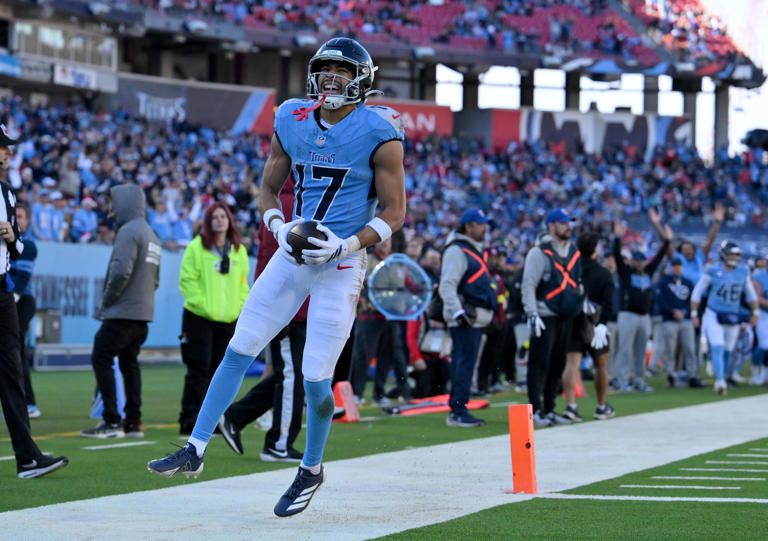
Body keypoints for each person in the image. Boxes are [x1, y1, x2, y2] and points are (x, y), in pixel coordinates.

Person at [148, 38, 406, 518]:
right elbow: (268, 188)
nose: (332, 78)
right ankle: (196, 447)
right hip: (293, 253)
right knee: (239, 347)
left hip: (341, 263)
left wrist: (346, 245)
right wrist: (278, 226)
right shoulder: (292, 117)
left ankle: (311, 469)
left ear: (362, 81)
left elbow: (395, 213)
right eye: (326, 68)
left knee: (314, 376)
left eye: (343, 71)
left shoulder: (380, 129)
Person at [217, 177, 310, 462]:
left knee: (289, 374)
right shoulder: (294, 203)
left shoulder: (281, 201)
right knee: (291, 374)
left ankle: (235, 417)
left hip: (287, 302)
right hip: (290, 305)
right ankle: (278, 444)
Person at [0, 124, 68, 478]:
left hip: (2, 290)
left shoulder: (7, 193)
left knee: (12, 370)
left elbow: (20, 247)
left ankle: (27, 457)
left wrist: (13, 238)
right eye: (3, 146)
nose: (8, 152)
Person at [80, 184, 161, 438]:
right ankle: (133, 423)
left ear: (125, 203)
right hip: (142, 314)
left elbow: (120, 273)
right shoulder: (151, 234)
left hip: (123, 312)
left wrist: (106, 302)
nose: (110, 210)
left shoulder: (128, 232)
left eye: (113, 204)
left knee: (101, 356)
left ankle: (111, 422)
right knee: (129, 364)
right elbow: (156, 280)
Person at [177, 202, 250, 434]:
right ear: (208, 222)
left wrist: (237, 308)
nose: (219, 220)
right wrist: (203, 305)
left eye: (223, 216)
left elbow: (243, 285)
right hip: (199, 317)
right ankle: (189, 418)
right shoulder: (196, 247)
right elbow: (187, 280)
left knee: (220, 374)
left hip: (228, 320)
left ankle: (214, 421)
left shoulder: (238, 250)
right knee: (198, 370)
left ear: (229, 221)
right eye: (215, 217)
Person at [522, 208, 583, 428]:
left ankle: (549, 408)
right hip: (545, 315)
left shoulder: (573, 251)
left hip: (565, 315)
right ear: (551, 226)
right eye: (563, 223)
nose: (568, 226)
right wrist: (532, 313)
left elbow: (578, 282)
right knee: (539, 364)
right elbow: (529, 284)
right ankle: (535, 410)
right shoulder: (538, 252)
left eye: (569, 223)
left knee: (558, 365)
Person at [439, 208, 497, 427]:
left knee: (465, 364)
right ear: (468, 226)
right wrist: (458, 313)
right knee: (464, 364)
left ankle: (458, 408)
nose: (485, 228)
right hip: (465, 318)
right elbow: (447, 284)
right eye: (480, 224)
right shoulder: (457, 250)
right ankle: (458, 410)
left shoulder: (471, 249)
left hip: (472, 318)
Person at [613, 212, 671, 392]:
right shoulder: (625, 272)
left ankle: (639, 380)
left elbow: (660, 256)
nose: (639, 263)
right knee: (625, 349)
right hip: (627, 314)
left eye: (641, 260)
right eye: (636, 260)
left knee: (640, 350)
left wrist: (667, 241)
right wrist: (617, 238)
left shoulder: (648, 272)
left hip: (644, 316)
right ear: (631, 261)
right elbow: (617, 256)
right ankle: (622, 380)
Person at [691, 241, 759, 394]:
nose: (733, 257)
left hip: (732, 315)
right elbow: (697, 292)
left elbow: (751, 295)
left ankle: (723, 377)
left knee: (728, 350)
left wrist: (755, 313)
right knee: (718, 346)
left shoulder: (743, 271)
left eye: (736, 255)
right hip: (714, 313)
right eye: (731, 254)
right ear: (723, 255)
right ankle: (720, 380)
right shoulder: (713, 270)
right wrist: (694, 314)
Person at [563, 232, 616, 422]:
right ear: (595, 249)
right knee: (601, 366)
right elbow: (608, 304)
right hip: (596, 323)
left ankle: (571, 406)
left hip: (574, 321)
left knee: (572, 364)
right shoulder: (604, 273)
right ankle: (601, 407)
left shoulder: (571, 271)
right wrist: (602, 323)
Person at [9, 201, 41, 418]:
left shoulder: (28, 244)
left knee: (15, 350)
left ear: (28, 221)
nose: (17, 220)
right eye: (14, 216)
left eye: (21, 217)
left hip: (21, 301)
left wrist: (9, 301)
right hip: (9, 300)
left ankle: (29, 403)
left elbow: (21, 278)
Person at [654, 257, 702, 388]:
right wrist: (672, 312)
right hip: (669, 320)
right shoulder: (664, 282)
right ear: (671, 267)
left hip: (686, 320)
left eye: (679, 265)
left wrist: (685, 312)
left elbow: (692, 300)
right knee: (670, 349)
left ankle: (693, 376)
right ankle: (671, 375)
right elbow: (660, 300)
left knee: (690, 348)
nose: (677, 268)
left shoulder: (687, 282)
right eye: (674, 266)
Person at [750, 257, 768, 385]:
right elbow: (756, 297)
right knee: (764, 344)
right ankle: (755, 372)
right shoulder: (759, 275)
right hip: (762, 313)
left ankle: (765, 375)